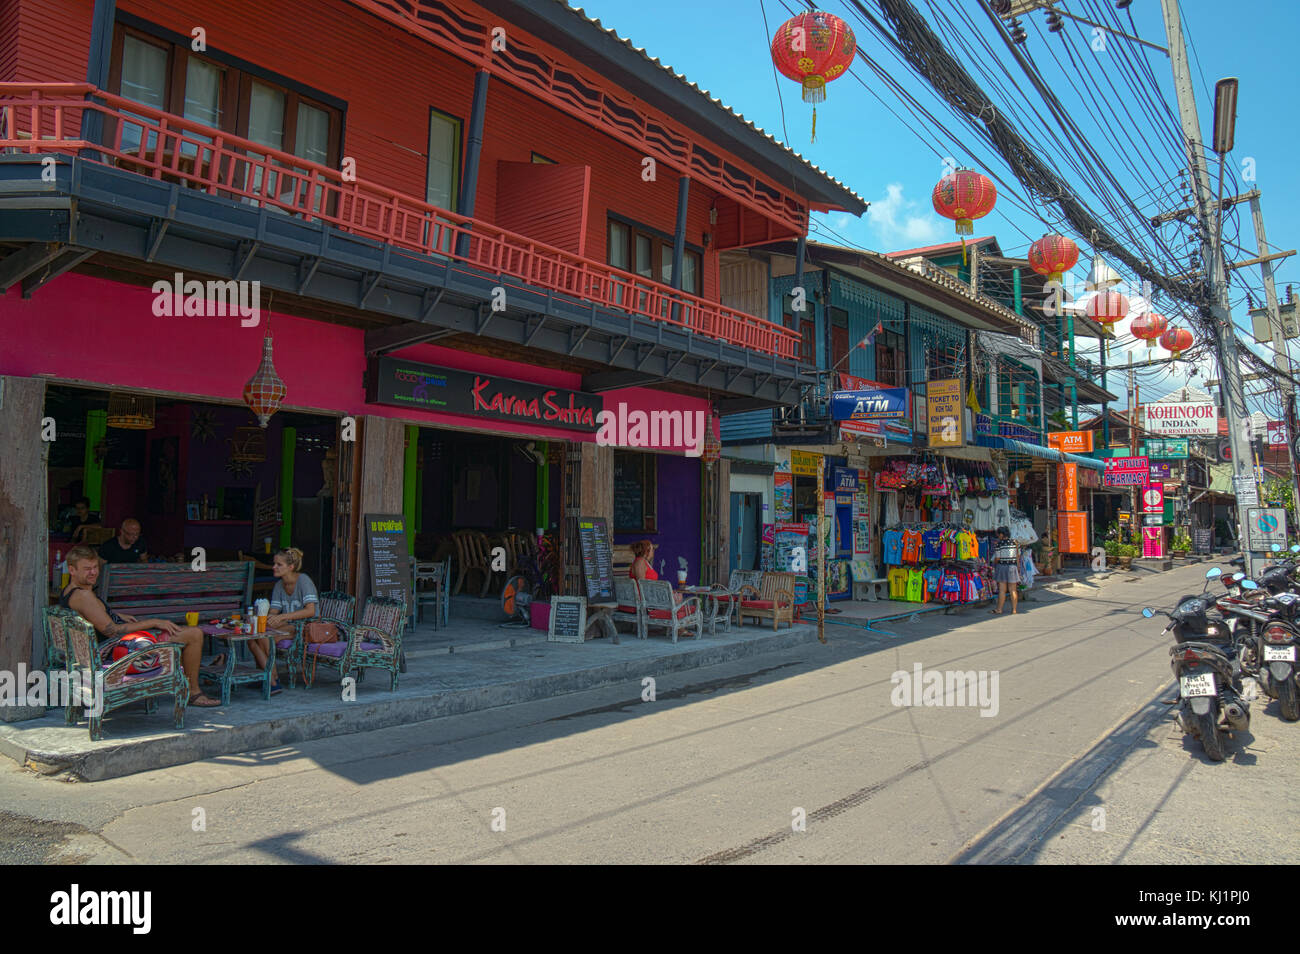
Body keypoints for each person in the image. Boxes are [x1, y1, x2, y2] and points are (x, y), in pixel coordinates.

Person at [59, 545, 221, 707]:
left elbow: (94, 614)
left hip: (107, 646)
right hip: (116, 651)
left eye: (95, 567)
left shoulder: (69, 591)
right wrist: (155, 621)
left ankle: (200, 671)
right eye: (87, 569)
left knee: (171, 632)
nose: (93, 572)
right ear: (72, 570)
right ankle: (193, 693)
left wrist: (117, 616)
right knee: (194, 634)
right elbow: (112, 631)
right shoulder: (84, 595)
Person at [214, 547, 317, 694]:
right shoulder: (278, 585)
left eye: (279, 564)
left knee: (265, 638)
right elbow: (273, 612)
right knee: (253, 637)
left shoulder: (303, 580)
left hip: (306, 627)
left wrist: (281, 617)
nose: (274, 567)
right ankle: (269, 678)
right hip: (288, 625)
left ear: (291, 567)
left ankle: (270, 678)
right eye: (274, 564)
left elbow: (310, 611)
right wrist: (260, 619)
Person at [990, 526, 1021, 615]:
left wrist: (994, 563)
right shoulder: (1015, 542)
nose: (998, 536)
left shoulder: (999, 544)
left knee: (1002, 590)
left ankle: (999, 609)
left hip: (1002, 567)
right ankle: (1014, 610)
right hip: (1012, 567)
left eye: (998, 534)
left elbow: (997, 558)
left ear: (1001, 534)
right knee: (1013, 590)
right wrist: (1018, 568)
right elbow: (1018, 556)